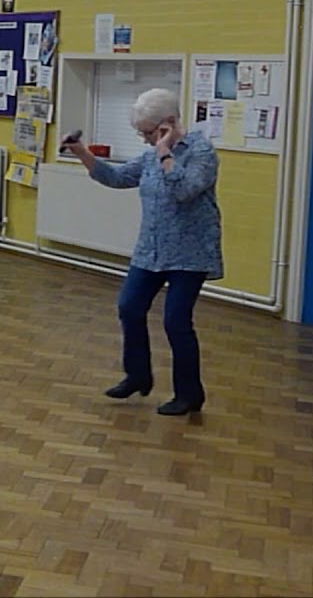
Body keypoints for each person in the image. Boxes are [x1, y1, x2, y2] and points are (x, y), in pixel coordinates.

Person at [61, 87, 222, 416]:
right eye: (141, 133)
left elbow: (184, 190)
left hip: (189, 253)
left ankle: (189, 394)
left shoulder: (201, 152)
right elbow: (118, 177)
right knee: (129, 307)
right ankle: (137, 375)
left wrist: (165, 152)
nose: (145, 140)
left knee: (176, 322)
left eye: (148, 133)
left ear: (168, 124)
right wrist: (82, 153)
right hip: (151, 249)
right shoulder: (150, 155)